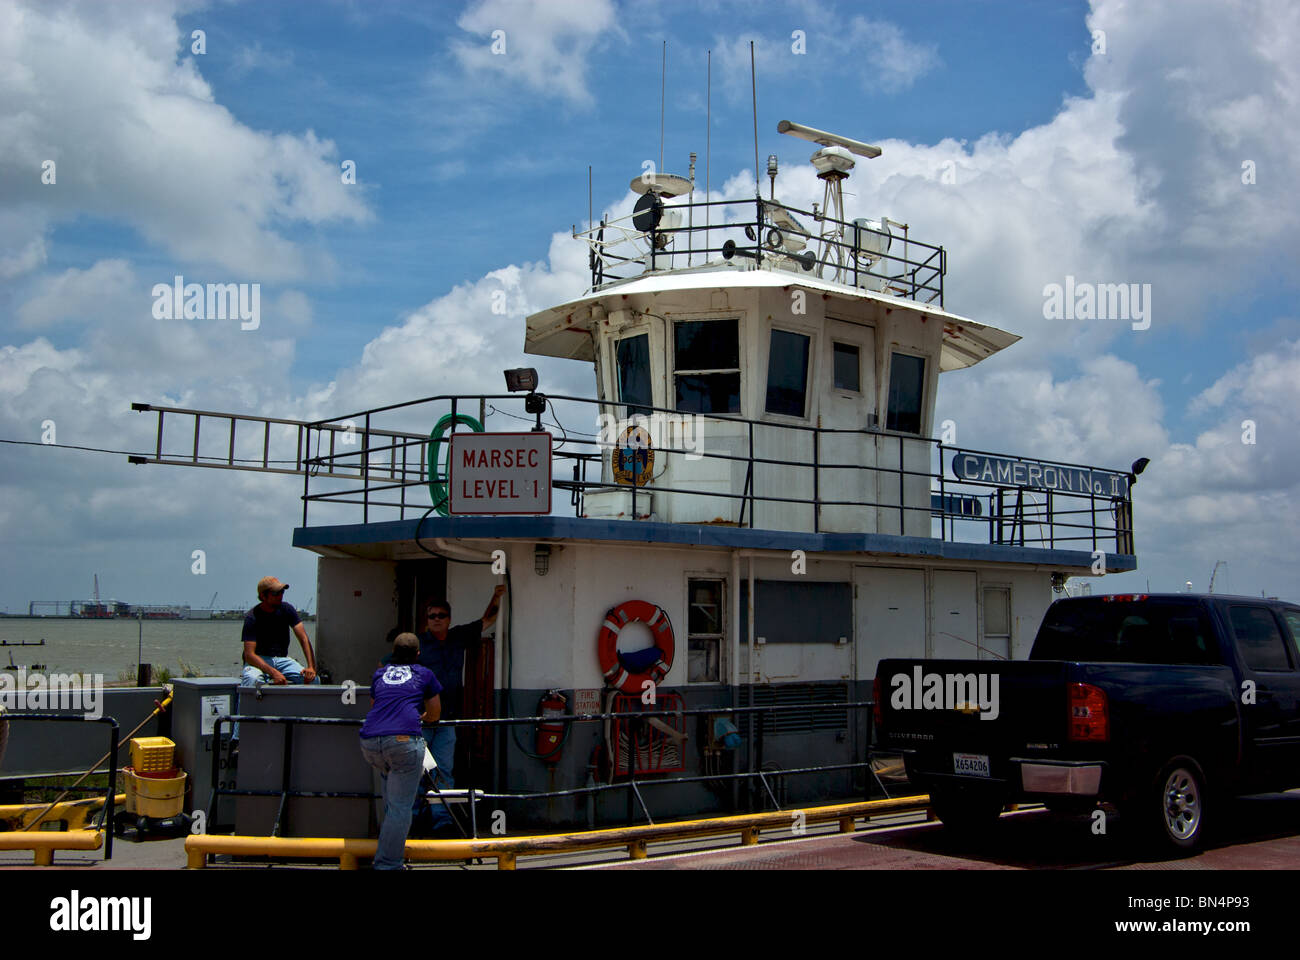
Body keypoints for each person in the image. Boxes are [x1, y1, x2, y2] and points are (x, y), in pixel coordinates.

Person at [396, 584, 505, 836]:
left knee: (444, 772)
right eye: (431, 616)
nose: (435, 620)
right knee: (416, 771)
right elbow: (388, 665)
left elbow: (487, 620)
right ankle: (412, 822)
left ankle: (442, 822)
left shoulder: (458, 637)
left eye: (440, 616)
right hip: (419, 722)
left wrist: (497, 595)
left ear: (448, 619)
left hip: (447, 722)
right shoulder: (417, 644)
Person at [359, 633, 441, 870]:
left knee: (391, 804)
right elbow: (435, 711)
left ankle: (384, 854)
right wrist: (423, 718)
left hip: (371, 742)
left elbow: (376, 706)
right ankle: (387, 864)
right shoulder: (424, 673)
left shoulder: (379, 674)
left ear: (393, 653)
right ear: (418, 654)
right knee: (400, 808)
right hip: (403, 742)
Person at [234, 576, 319, 744]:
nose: (281, 596)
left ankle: (310, 729)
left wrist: (311, 666)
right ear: (263, 596)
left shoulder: (287, 609)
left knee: (313, 680)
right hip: (258, 659)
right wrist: (274, 673)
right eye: (276, 593)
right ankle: (238, 738)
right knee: (251, 680)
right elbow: (250, 655)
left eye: (282, 592)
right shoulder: (252, 617)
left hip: (282, 659)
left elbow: (303, 638)